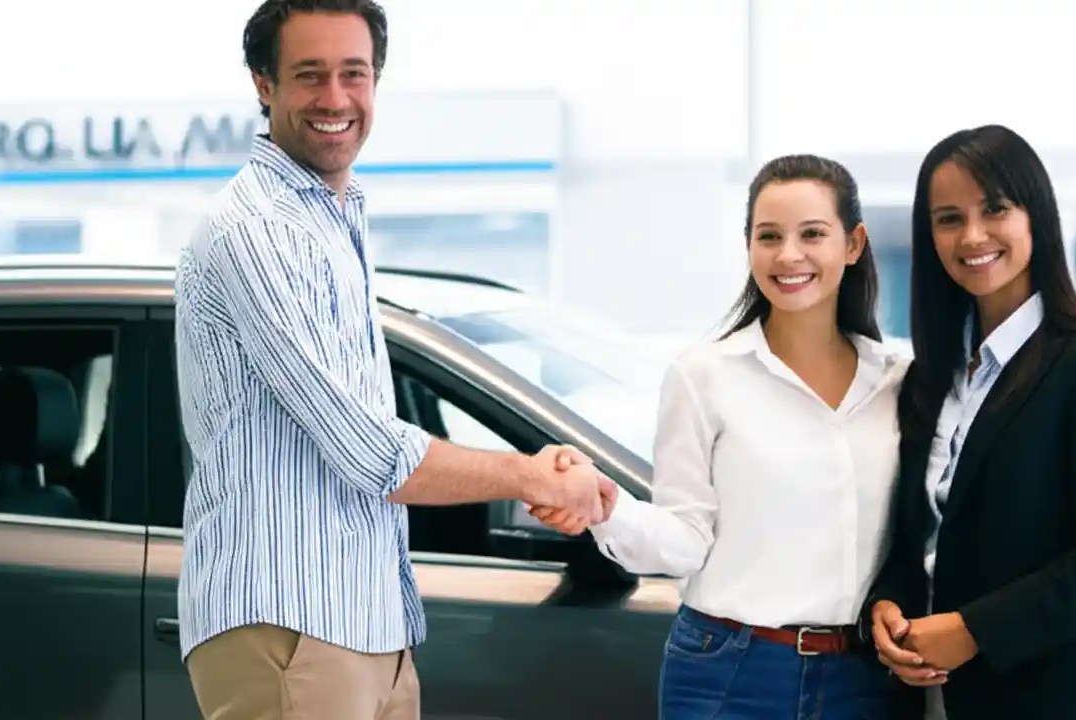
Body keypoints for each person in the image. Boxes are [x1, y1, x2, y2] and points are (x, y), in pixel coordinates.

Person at [172, 2, 613, 718]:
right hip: (293, 623)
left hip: (365, 626)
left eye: (356, 74)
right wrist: (532, 474)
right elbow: (370, 450)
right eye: (309, 75)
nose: (337, 99)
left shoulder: (331, 218)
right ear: (263, 83)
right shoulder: (256, 231)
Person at [533, 155, 911, 718]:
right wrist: (606, 506)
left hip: (864, 676)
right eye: (769, 236)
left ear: (853, 244)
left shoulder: (899, 381)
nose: (788, 255)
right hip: (731, 670)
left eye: (812, 234)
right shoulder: (703, 376)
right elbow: (686, 537)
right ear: (749, 245)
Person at [863, 125, 1076, 720]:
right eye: (948, 219)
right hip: (919, 698)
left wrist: (976, 629)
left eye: (994, 209)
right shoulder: (930, 378)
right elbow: (918, 537)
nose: (972, 236)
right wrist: (887, 603)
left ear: (1036, 218)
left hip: (1045, 698)